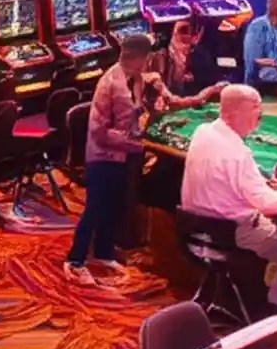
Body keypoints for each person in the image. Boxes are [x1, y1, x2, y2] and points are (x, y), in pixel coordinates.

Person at [66, 34, 222, 284]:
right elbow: (99, 132)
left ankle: (104, 253)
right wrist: (135, 144)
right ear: (139, 56)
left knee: (114, 207)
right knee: (95, 209)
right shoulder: (109, 84)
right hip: (103, 155)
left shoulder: (137, 78)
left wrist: (200, 96)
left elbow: (160, 106)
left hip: (124, 154)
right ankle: (74, 261)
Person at [180, 84, 277, 325]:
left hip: (193, 231)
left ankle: (261, 295)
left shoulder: (202, 132)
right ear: (233, 113)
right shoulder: (239, 153)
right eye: (254, 108)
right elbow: (272, 206)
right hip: (229, 236)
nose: (259, 115)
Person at [147, 19, 215, 97]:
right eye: (183, 31)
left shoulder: (201, 55)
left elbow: (209, 80)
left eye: (191, 31)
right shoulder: (158, 57)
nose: (188, 36)